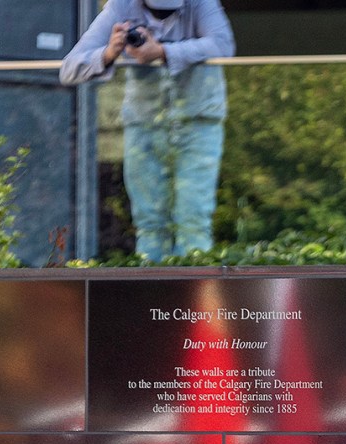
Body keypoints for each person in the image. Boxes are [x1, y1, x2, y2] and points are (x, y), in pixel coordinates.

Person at [60, 0, 234, 261]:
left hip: (198, 121)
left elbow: (223, 45)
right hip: (144, 123)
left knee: (194, 218)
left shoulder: (201, 3)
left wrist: (162, 51)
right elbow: (68, 69)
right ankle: (152, 283)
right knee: (149, 221)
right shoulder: (120, 6)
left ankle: (195, 284)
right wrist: (109, 53)